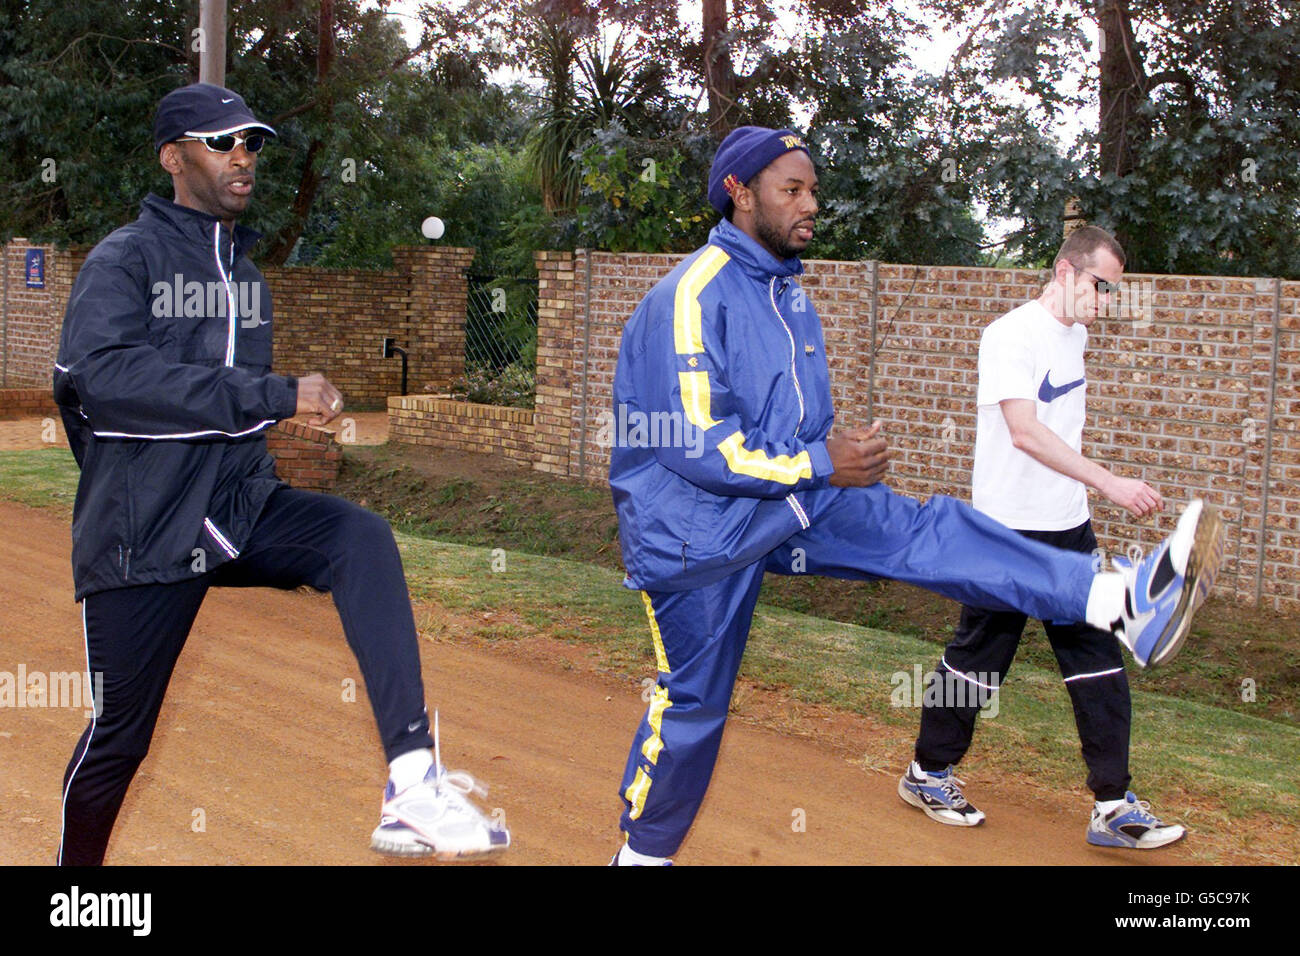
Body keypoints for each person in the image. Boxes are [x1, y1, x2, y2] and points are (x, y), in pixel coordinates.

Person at [606, 127, 1222, 866]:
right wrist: (821, 459)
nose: (810, 206)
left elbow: (796, 426)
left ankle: (1116, 601)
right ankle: (641, 858)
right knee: (696, 706)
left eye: (812, 191)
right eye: (791, 190)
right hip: (696, 535)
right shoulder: (689, 296)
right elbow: (699, 445)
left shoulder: (788, 297)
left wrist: (832, 459)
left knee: (929, 528)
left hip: (797, 501)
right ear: (739, 193)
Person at [51, 82, 508, 864]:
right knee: (119, 742)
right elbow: (102, 384)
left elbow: (228, 415)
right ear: (172, 157)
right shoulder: (124, 260)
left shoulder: (249, 282)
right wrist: (266, 396)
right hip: (143, 535)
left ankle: (410, 778)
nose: (243, 156)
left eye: (252, 143)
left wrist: (266, 425)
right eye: (221, 141)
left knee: (355, 537)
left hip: (234, 508)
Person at [898, 226, 1187, 849]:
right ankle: (928, 771)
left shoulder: (1075, 336)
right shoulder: (1009, 336)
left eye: (1113, 290)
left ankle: (1113, 806)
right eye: (1100, 286)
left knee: (1096, 659)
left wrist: (1086, 496)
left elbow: (1056, 434)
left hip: (1067, 529)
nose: (1106, 302)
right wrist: (1110, 481)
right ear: (1064, 272)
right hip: (1005, 531)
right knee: (979, 659)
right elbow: (1025, 432)